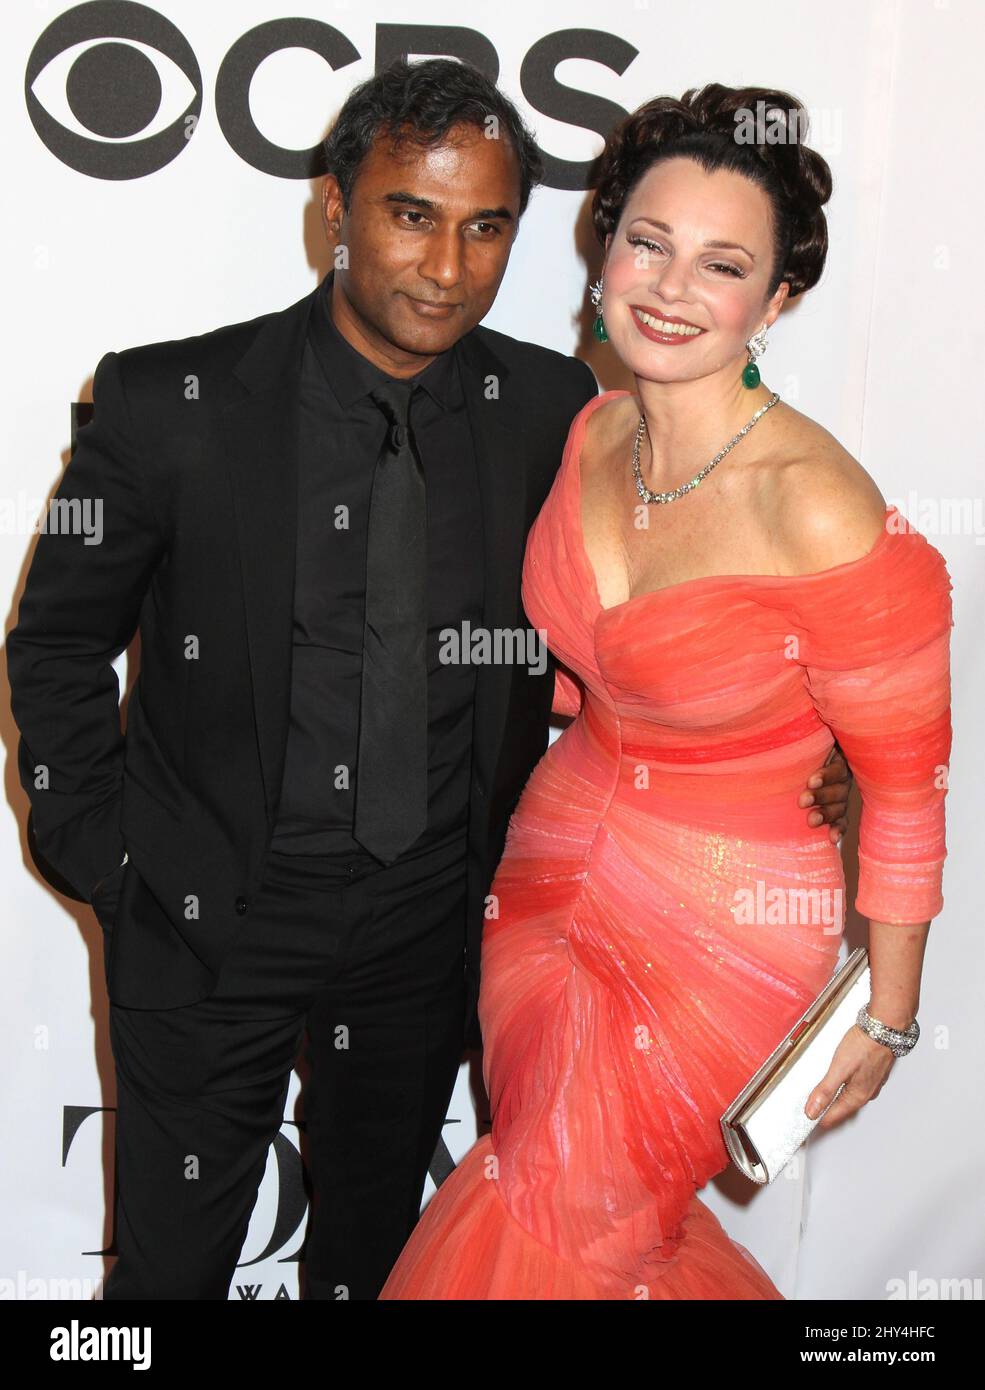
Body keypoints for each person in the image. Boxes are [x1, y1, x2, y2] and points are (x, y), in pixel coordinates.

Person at [7, 63, 850, 1302]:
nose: (447, 267)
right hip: (205, 917)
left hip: (431, 928)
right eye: (412, 215)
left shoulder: (552, 407)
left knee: (377, 1260)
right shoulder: (165, 401)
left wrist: (796, 753)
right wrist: (115, 867)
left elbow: (632, 632)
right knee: (165, 1276)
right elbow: (54, 645)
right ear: (335, 208)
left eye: (486, 227)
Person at [378, 84, 952, 1300]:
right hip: (544, 878)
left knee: (561, 1212)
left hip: (723, 924)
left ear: (777, 300)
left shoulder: (816, 500)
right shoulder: (588, 431)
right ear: (602, 249)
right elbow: (597, 683)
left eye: (722, 263)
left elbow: (905, 788)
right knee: (577, 1213)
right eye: (647, 242)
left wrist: (888, 1017)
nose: (670, 287)